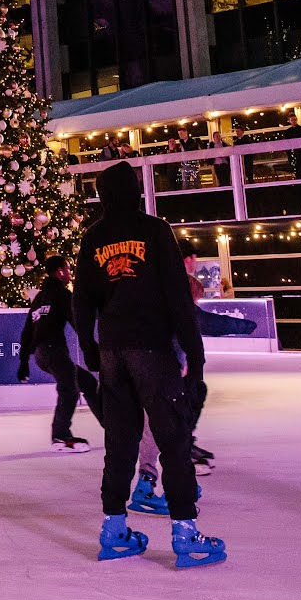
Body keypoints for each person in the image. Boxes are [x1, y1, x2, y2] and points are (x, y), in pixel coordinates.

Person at [73, 163, 224, 568]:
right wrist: (195, 357)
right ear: (135, 192)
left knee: (120, 443)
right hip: (152, 351)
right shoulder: (155, 231)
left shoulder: (93, 237)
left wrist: (90, 349)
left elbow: (81, 300)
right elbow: (177, 296)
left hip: (112, 353)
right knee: (173, 441)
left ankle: (114, 529)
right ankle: (186, 533)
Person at [17, 256, 100, 452]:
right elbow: (77, 322)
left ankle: (112, 426)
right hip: (53, 351)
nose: (70, 273)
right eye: (68, 269)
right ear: (60, 271)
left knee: (87, 382)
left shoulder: (39, 298)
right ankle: (60, 436)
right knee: (69, 389)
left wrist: (24, 363)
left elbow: (27, 332)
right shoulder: (62, 294)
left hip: (42, 354)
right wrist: (91, 349)